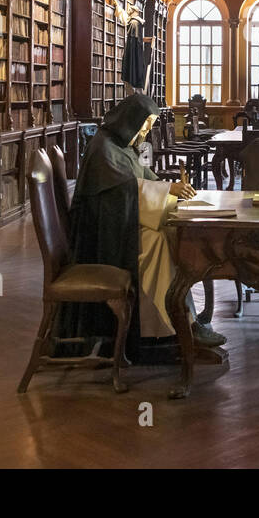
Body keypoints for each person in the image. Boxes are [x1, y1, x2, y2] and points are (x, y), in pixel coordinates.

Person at [60, 94, 225, 362]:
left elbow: (143, 178)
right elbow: (124, 192)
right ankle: (164, 328)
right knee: (159, 242)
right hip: (104, 237)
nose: (147, 131)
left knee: (166, 235)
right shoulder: (104, 148)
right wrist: (167, 190)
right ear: (130, 120)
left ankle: (177, 322)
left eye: (150, 125)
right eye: (145, 124)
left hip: (118, 226)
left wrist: (167, 189)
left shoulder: (120, 145)